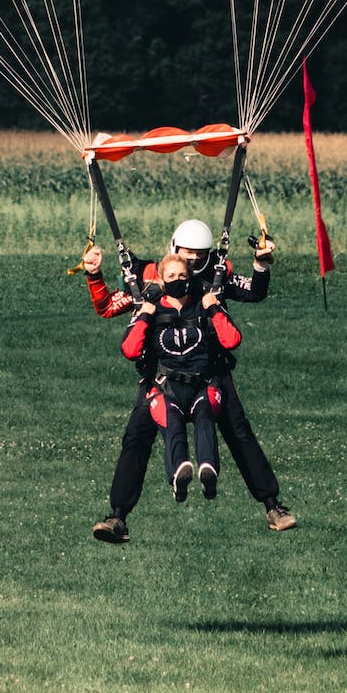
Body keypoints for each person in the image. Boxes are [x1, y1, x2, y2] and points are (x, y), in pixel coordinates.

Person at [84, 217, 297, 541]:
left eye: (200, 253)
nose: (194, 259)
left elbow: (254, 291)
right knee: (135, 440)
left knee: (240, 434)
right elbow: (106, 306)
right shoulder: (147, 279)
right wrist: (94, 273)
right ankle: (118, 517)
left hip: (210, 375)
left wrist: (260, 264)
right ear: (174, 249)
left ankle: (273, 506)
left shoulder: (216, 278)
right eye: (188, 253)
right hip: (160, 380)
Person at [122, 254, 242, 500]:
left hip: (202, 386)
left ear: (191, 279)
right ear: (162, 281)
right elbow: (130, 350)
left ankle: (208, 471)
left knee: (205, 415)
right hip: (166, 388)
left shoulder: (203, 304)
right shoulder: (152, 308)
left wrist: (214, 308)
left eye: (183, 276)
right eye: (171, 276)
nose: (178, 280)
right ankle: (179, 473)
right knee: (172, 422)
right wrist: (144, 315)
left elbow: (232, 340)